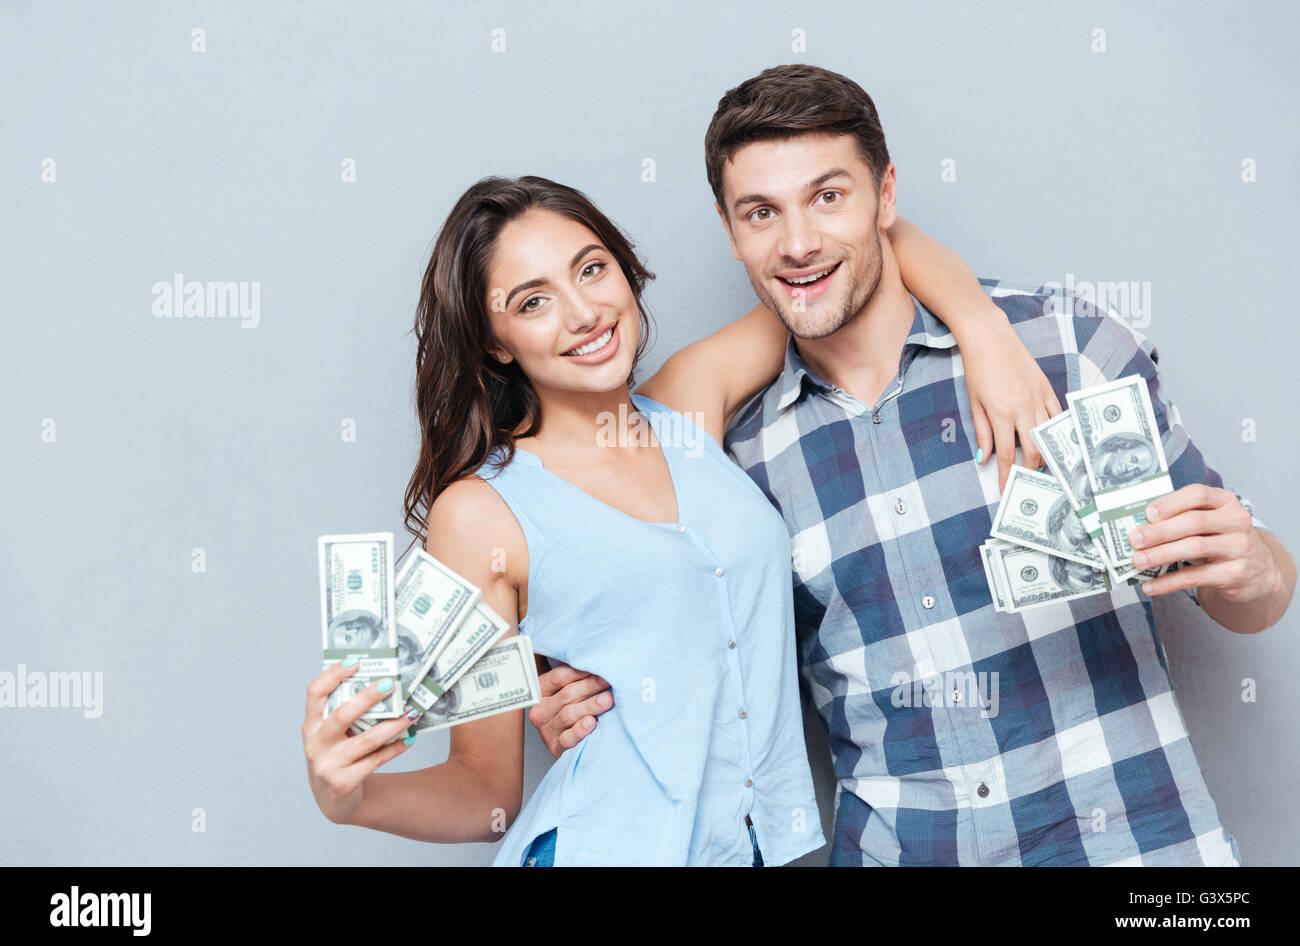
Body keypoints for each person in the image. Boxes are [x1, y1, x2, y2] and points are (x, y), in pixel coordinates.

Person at [535, 64, 1296, 866]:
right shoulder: (730, 464)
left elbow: (1251, 593)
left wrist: (1256, 572)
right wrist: (588, 707)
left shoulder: (1063, 348)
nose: (797, 242)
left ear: (886, 198)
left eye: (829, 196)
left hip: (1138, 849)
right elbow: (704, 674)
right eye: (762, 212)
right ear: (731, 233)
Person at [300, 167, 1062, 865]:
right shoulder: (484, 511)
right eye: (533, 302)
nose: (583, 313)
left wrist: (986, 335)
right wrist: (352, 798)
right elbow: (487, 794)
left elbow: (867, 257)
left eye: (591, 270)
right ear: (497, 343)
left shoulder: (692, 404)